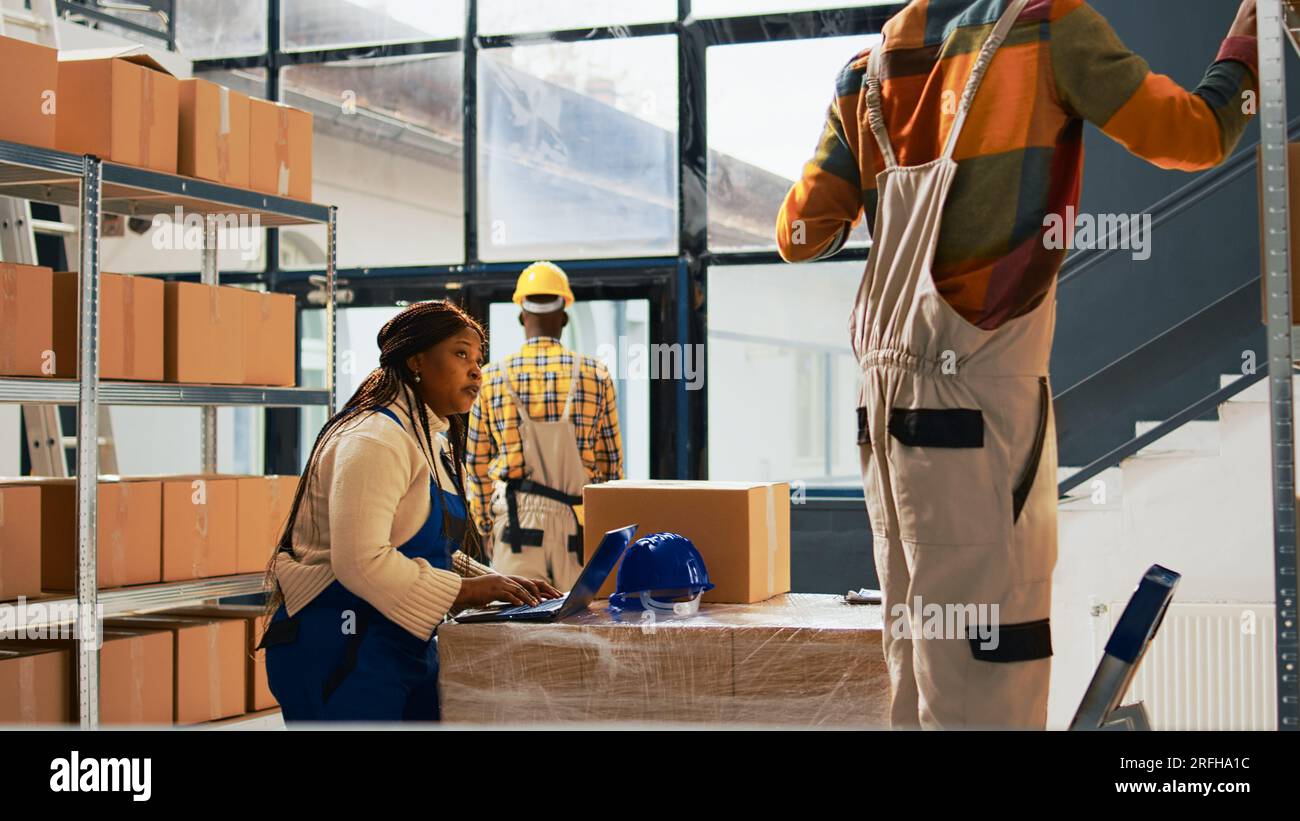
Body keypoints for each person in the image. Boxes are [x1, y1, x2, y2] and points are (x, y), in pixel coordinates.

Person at [777, 0, 1259, 729]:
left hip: (883, 414)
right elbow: (1191, 137)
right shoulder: (1050, 27)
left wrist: (871, 143)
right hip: (977, 403)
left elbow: (799, 236)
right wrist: (1248, 48)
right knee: (987, 672)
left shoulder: (864, 71)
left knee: (918, 666)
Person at [259, 300, 561, 722]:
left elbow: (415, 544)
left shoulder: (424, 437)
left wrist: (490, 580)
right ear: (417, 360)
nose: (477, 370)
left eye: (479, 359)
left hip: (393, 644)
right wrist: (465, 592)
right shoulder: (375, 439)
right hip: (339, 646)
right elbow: (360, 562)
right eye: (461, 354)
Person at [467, 261, 624, 590]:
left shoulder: (493, 377)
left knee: (519, 634)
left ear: (522, 316)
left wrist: (485, 526)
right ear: (564, 316)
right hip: (577, 526)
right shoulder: (594, 374)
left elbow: (477, 465)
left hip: (516, 528)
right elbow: (611, 466)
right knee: (581, 628)